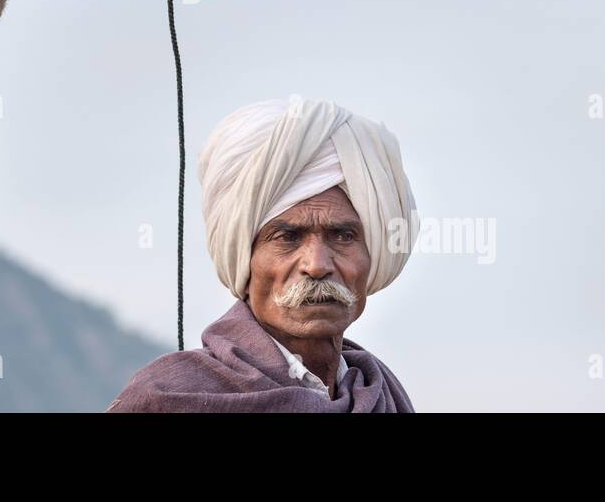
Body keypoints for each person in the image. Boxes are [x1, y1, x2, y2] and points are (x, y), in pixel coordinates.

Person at [107, 96, 418, 412]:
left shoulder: (380, 395)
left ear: (372, 257)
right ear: (244, 262)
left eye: (342, 236)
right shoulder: (172, 398)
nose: (317, 265)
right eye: (288, 237)